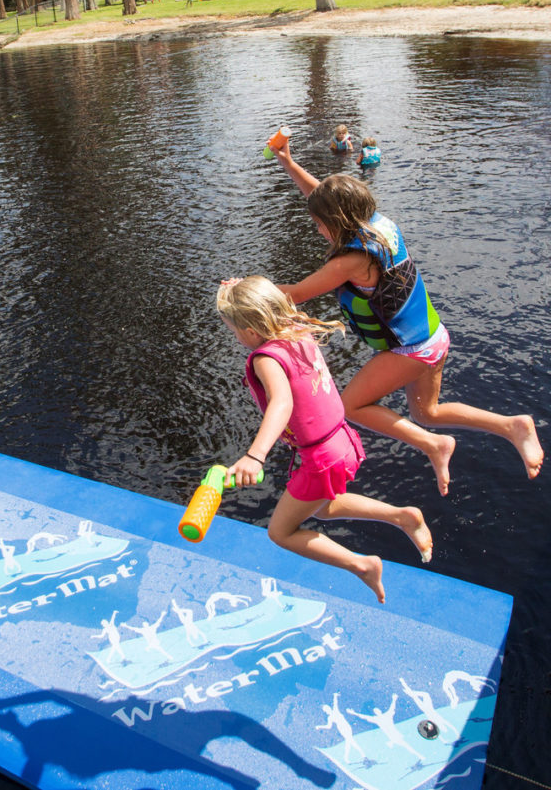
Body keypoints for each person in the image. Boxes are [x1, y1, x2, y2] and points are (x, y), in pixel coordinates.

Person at [270, 141, 543, 495]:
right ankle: (512, 426)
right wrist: (289, 163)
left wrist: (243, 287)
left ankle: (435, 445)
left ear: (335, 222)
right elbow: (322, 195)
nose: (318, 230)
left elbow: (295, 293)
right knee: (426, 413)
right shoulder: (378, 224)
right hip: (433, 336)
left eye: (319, 224)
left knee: (351, 405)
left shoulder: (350, 261)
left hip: (411, 349)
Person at [219, 276, 432, 603]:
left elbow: (282, 402)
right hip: (341, 441)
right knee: (324, 508)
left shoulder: (265, 358)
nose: (236, 337)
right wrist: (241, 289)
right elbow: (275, 303)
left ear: (250, 331)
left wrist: (255, 455)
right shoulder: (295, 330)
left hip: (322, 457)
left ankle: (362, 565)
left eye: (234, 330)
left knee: (281, 532)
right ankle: (402, 516)